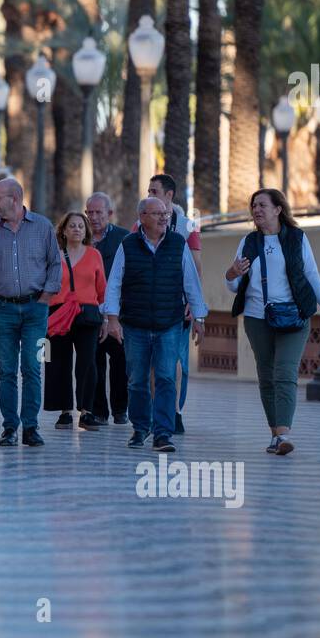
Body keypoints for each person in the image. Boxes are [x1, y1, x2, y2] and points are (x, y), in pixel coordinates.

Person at [225, 188, 320, 456]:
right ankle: (275, 435)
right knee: (266, 376)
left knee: (284, 373)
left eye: (262, 205)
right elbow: (233, 285)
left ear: (278, 209)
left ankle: (284, 433)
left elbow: (311, 273)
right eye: (254, 206)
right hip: (256, 317)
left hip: (294, 316)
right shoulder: (249, 242)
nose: (257, 210)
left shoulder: (297, 238)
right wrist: (232, 273)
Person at [100, 197, 207, 452]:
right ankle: (140, 428)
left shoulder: (177, 243)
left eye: (165, 213)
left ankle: (163, 434)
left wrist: (199, 318)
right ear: (142, 218)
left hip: (169, 323)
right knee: (136, 380)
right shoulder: (128, 245)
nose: (163, 217)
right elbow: (114, 283)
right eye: (157, 213)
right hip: (135, 325)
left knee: (166, 378)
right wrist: (112, 319)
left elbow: (191, 282)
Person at [0, 177, 62, 448]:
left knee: (32, 368)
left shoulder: (42, 226)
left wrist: (46, 298)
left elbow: (56, 264)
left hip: (36, 310)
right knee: (7, 371)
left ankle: (31, 427)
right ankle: (10, 427)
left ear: (15, 199)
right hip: (3, 309)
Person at [143, 173, 201, 434]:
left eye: (154, 190)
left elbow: (196, 266)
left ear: (169, 195)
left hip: (178, 305)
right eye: (148, 190)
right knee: (153, 362)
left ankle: (175, 411)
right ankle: (157, 410)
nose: (150, 194)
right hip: (148, 306)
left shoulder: (188, 226)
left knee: (178, 361)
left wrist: (193, 302)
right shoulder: (140, 224)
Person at [44, 212, 106, 431]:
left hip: (87, 314)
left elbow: (102, 290)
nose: (77, 229)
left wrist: (106, 319)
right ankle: (64, 412)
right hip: (58, 313)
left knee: (88, 363)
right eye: (72, 226)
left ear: (86, 230)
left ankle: (87, 412)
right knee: (58, 362)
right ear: (63, 230)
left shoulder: (94, 255)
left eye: (81, 226)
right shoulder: (53, 255)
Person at [85, 192, 129, 425]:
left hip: (117, 315)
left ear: (109, 214)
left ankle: (121, 409)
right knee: (94, 363)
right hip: (89, 314)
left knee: (121, 362)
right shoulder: (79, 238)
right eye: (89, 212)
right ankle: (98, 411)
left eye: (98, 212)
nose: (93, 217)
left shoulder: (125, 238)